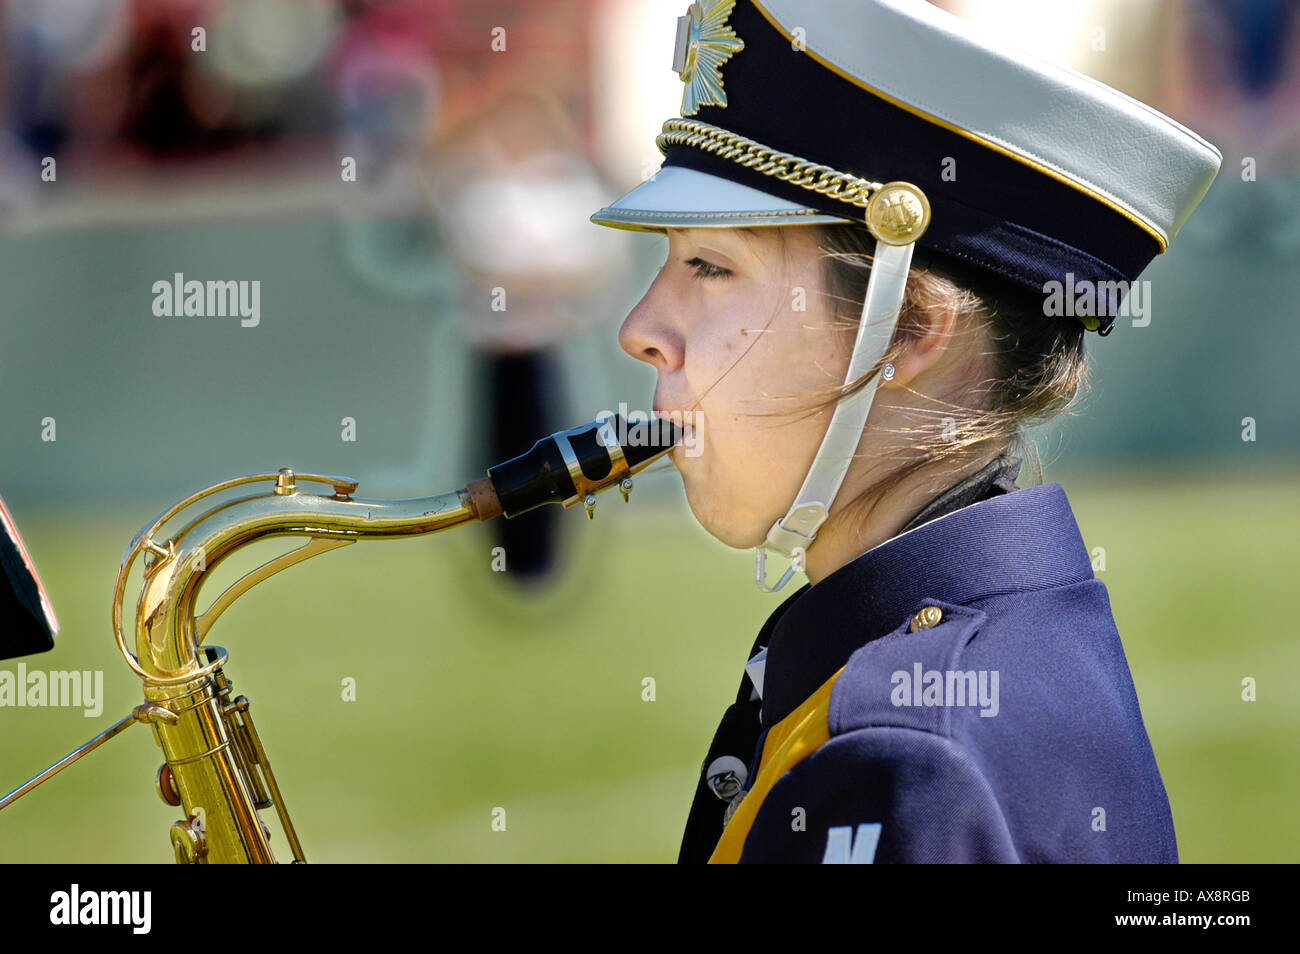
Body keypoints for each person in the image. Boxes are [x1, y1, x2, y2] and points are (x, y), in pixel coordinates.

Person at [589, 0, 1221, 862]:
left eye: (710, 265)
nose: (641, 326)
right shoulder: (991, 647)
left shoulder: (904, 758)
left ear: (912, 327)